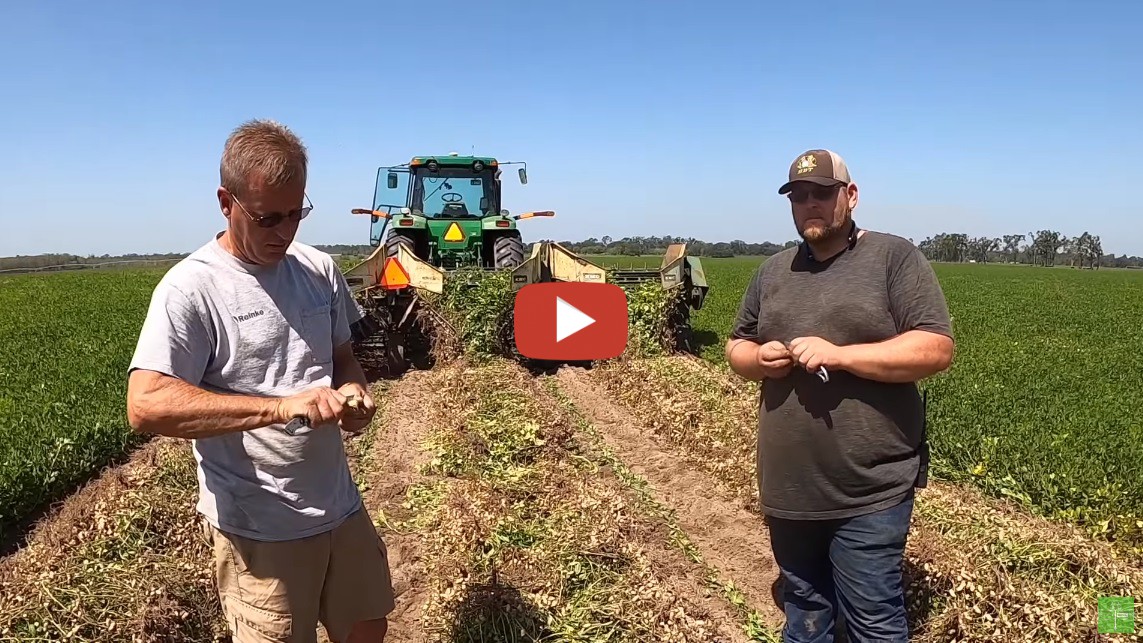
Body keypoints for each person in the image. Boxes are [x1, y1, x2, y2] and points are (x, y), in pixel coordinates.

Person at [125, 119, 395, 643]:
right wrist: (278, 408)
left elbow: (342, 357)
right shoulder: (192, 288)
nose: (285, 232)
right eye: (269, 218)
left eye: (297, 214)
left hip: (340, 506)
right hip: (261, 528)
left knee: (367, 626)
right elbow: (146, 404)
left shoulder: (318, 270)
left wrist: (355, 392)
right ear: (226, 202)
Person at [725, 149, 954, 643]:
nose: (809, 204)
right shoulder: (772, 271)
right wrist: (757, 358)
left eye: (822, 193)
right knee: (804, 614)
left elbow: (935, 349)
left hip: (868, 488)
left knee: (873, 622)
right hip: (788, 487)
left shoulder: (894, 257)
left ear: (850, 196)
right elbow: (736, 347)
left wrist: (841, 355)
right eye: (799, 196)